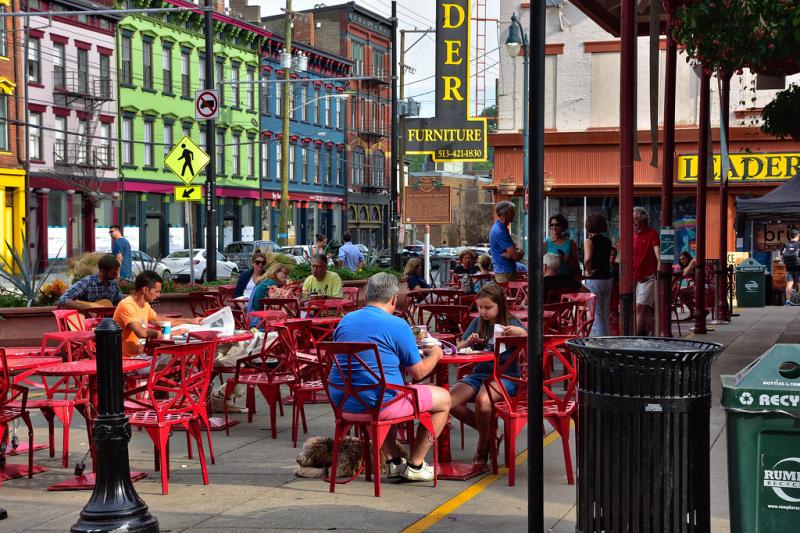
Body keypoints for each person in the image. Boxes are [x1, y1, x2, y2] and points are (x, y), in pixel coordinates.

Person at [329, 272, 452, 481]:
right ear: (395, 299)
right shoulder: (397, 325)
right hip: (379, 403)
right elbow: (419, 372)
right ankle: (416, 464)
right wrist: (437, 354)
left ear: (367, 294)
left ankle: (394, 461)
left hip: (344, 401)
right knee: (444, 399)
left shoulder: (345, 320)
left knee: (384, 387)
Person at [450, 284, 527, 465]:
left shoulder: (512, 324)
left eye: (487, 308)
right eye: (480, 307)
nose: (483, 312)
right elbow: (458, 348)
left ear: (500, 305)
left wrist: (522, 333)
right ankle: (492, 433)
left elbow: (534, 346)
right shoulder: (477, 322)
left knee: (483, 402)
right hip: (479, 373)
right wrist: (468, 341)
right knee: (448, 402)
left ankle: (483, 447)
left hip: (505, 375)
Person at [113, 271, 201, 358]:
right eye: (157, 291)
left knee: (176, 359)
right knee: (175, 361)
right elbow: (142, 333)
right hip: (124, 360)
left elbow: (159, 320)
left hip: (139, 357)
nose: (158, 295)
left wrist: (191, 321)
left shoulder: (145, 305)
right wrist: (172, 333)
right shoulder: (127, 305)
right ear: (145, 290)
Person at [57, 254, 124, 311]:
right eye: (113, 273)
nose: (117, 275)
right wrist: (87, 308)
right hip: (88, 323)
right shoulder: (87, 282)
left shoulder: (113, 284)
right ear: (102, 271)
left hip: (108, 323)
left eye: (117, 272)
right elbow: (63, 299)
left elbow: (120, 302)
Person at [583, 214, 613, 336]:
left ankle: (601, 344)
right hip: (607, 278)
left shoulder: (589, 241)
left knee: (596, 315)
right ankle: (608, 339)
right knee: (605, 314)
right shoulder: (607, 241)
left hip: (595, 279)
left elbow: (587, 258)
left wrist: (587, 270)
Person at [633, 206, 660, 336]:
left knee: (640, 308)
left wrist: (659, 266)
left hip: (649, 277)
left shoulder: (652, 233)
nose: (634, 221)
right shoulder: (634, 236)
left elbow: (657, 253)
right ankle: (656, 334)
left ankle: (637, 336)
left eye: (636, 218)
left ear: (643, 219)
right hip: (638, 279)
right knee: (646, 311)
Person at [489, 201, 524, 283]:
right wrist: (521, 252)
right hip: (505, 273)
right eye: (512, 211)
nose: (514, 214)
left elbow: (512, 253)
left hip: (503, 271)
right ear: (505, 213)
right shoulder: (500, 231)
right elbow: (515, 256)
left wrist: (512, 252)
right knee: (507, 296)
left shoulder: (499, 228)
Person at [545, 214, 579, 278]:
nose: (554, 227)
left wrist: (566, 258)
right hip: (550, 280)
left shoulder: (571, 243)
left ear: (563, 226)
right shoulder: (545, 243)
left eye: (557, 225)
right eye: (552, 225)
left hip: (566, 279)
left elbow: (576, 265)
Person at [781, 228, 800, 305]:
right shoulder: (799, 244)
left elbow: (782, 255)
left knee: (789, 284)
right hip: (799, 266)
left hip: (789, 267)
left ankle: (788, 301)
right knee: (799, 283)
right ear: (798, 235)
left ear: (790, 236)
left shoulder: (786, 244)